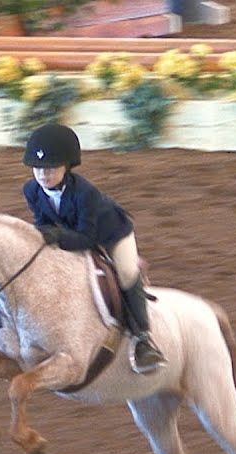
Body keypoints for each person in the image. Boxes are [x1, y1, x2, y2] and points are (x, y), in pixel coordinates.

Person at [21, 123, 167, 374]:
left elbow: (87, 238)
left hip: (111, 235)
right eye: (39, 168)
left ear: (67, 167)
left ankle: (143, 340)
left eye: (51, 168)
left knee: (125, 275)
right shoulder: (31, 190)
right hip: (72, 232)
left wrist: (56, 235)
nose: (43, 175)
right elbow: (43, 224)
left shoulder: (85, 193)